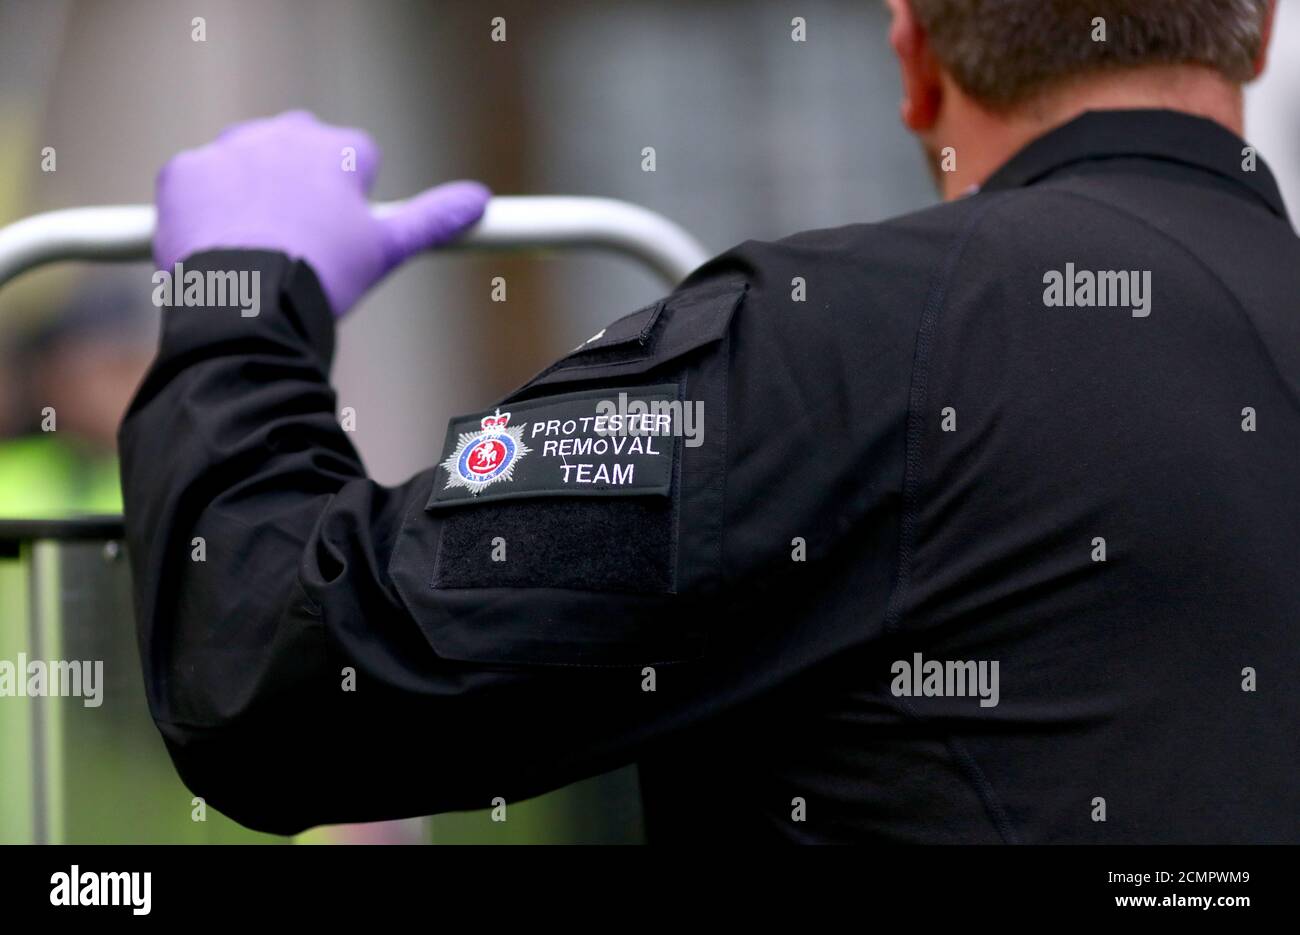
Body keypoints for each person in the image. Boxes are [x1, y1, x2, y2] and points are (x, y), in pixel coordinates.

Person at [120, 0, 1299, 842]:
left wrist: (240, 307)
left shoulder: (842, 342)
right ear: (1258, 27)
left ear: (911, 57)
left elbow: (281, 675)